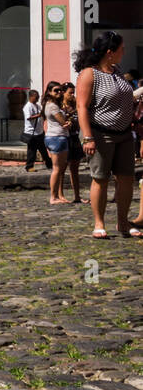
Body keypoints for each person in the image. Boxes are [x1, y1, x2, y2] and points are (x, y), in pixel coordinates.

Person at [74, 31, 143, 238]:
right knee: (101, 178)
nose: (124, 52)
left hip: (124, 134)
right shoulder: (89, 74)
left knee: (126, 178)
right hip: (100, 134)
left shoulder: (116, 71)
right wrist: (87, 137)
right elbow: (82, 107)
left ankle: (123, 223)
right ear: (110, 52)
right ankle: (99, 223)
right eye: (121, 49)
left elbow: (123, 97)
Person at [42, 82, 71, 206]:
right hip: (57, 137)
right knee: (57, 168)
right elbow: (63, 123)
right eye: (56, 90)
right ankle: (53, 197)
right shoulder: (52, 106)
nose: (59, 92)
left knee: (60, 169)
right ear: (49, 92)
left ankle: (59, 195)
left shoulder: (52, 105)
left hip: (56, 137)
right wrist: (68, 123)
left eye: (60, 90)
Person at [62, 82, 85, 204]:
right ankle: (59, 194)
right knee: (62, 167)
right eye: (70, 93)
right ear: (64, 93)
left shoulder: (74, 104)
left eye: (73, 92)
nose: (72, 95)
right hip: (65, 137)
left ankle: (77, 195)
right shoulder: (60, 106)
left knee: (75, 168)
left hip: (75, 137)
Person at [22, 88, 51, 171]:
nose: (37, 98)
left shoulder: (37, 106)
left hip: (39, 132)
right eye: (36, 97)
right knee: (32, 151)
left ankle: (49, 164)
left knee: (43, 150)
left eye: (38, 97)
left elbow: (41, 116)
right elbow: (29, 117)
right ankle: (29, 166)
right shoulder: (27, 107)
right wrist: (39, 115)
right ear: (31, 97)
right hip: (32, 133)